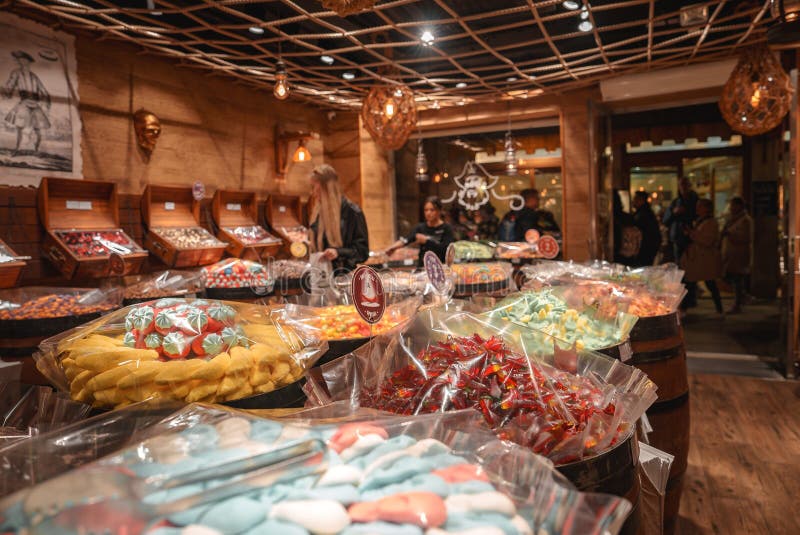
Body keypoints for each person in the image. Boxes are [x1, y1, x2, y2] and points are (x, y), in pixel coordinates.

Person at [308, 164, 369, 273]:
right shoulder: (318, 213)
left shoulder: (352, 212)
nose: (312, 193)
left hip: (343, 278)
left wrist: (338, 252)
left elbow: (362, 252)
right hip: (321, 277)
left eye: (314, 187)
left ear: (326, 187)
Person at [1, 50, 51, 155]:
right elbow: (9, 85)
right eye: (20, 61)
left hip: (35, 105)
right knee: (20, 127)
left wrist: (47, 102)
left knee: (38, 129)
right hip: (24, 103)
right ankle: (17, 149)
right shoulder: (16, 73)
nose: (22, 62)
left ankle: (36, 150)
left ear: (28, 62)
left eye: (24, 60)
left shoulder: (34, 77)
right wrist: (6, 93)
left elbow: (43, 91)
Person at [681, 198, 723, 314]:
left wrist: (692, 233)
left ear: (707, 208)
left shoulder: (711, 222)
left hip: (705, 258)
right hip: (699, 258)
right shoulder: (702, 220)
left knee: (707, 283)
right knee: (694, 283)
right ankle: (719, 309)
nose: (697, 208)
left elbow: (707, 240)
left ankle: (719, 309)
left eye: (700, 206)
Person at [386, 196, 455, 264]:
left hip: (440, 267)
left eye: (432, 210)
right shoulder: (420, 227)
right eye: (426, 210)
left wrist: (427, 241)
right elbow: (406, 240)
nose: (428, 213)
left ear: (439, 211)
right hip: (422, 267)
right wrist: (392, 248)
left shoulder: (446, 228)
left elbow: (446, 251)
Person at [721, 196, 752, 313]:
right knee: (731, 277)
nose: (731, 207)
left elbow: (746, 237)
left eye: (733, 205)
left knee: (737, 279)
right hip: (731, 253)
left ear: (739, 206)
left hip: (739, 254)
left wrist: (729, 234)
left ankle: (738, 302)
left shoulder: (745, 220)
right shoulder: (732, 219)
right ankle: (743, 297)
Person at [663, 177, 698, 264]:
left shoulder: (696, 201)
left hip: (692, 238)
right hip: (678, 238)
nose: (683, 187)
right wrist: (674, 212)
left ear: (689, 186)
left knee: (692, 264)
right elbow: (666, 221)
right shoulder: (675, 202)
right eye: (681, 185)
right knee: (679, 263)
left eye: (685, 184)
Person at [631, 190, 662, 266]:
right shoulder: (645, 213)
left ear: (641, 200)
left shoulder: (643, 215)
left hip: (644, 250)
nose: (633, 201)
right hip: (648, 249)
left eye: (635, 199)